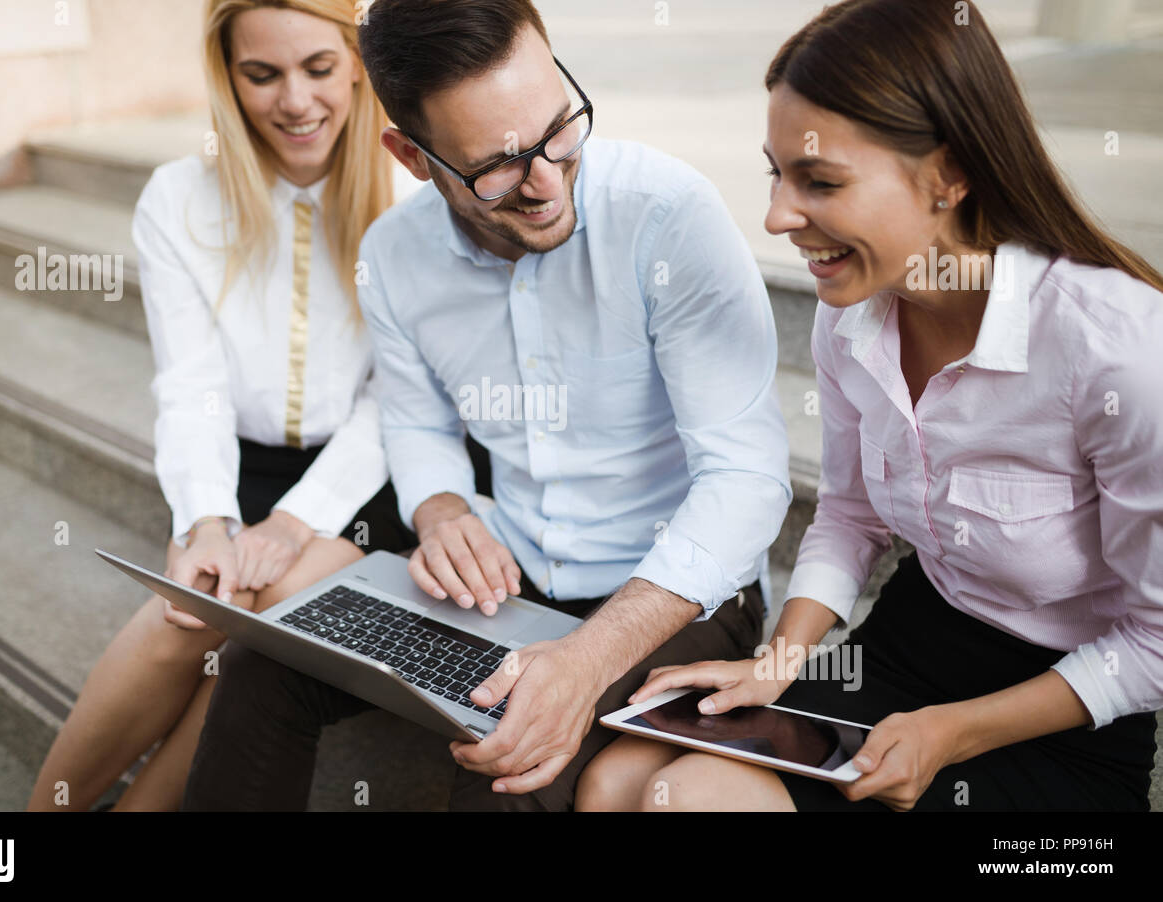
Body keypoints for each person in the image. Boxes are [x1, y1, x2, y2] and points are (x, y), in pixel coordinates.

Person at [181, 0, 792, 812]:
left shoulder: (669, 218)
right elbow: (416, 422)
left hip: (676, 598)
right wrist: (439, 512)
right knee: (263, 667)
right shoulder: (395, 257)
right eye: (498, 165)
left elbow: (747, 480)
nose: (546, 182)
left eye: (559, 129)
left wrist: (586, 659)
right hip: (509, 585)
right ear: (411, 155)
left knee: (505, 788)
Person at [577, 0, 1163, 812]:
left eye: (819, 182)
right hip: (907, 646)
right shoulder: (851, 316)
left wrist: (947, 734)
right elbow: (850, 514)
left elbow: (1155, 646)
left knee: (696, 793)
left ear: (948, 176)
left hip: (1061, 718)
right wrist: (777, 661)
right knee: (617, 779)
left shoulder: (1119, 349)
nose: (778, 216)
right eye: (775, 175)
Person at [27, 0, 403, 812]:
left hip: (372, 478)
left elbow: (396, 401)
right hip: (244, 463)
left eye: (318, 68)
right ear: (227, 77)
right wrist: (204, 518)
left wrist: (297, 521)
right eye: (261, 74)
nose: (295, 102)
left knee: (252, 618)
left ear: (358, 64)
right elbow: (190, 383)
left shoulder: (411, 197)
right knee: (186, 619)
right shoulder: (177, 198)